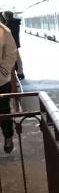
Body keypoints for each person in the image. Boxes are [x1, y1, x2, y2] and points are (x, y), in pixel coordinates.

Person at [0, 22, 18, 153]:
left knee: (3, 111)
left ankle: (8, 137)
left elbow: (11, 54)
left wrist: (3, 73)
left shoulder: (3, 31)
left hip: (0, 82)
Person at [1, 11, 23, 80]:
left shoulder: (9, 24)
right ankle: (20, 72)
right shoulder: (14, 22)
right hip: (15, 42)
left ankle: (19, 73)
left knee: (15, 57)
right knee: (17, 57)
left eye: (3, 15)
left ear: (6, 16)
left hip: (12, 43)